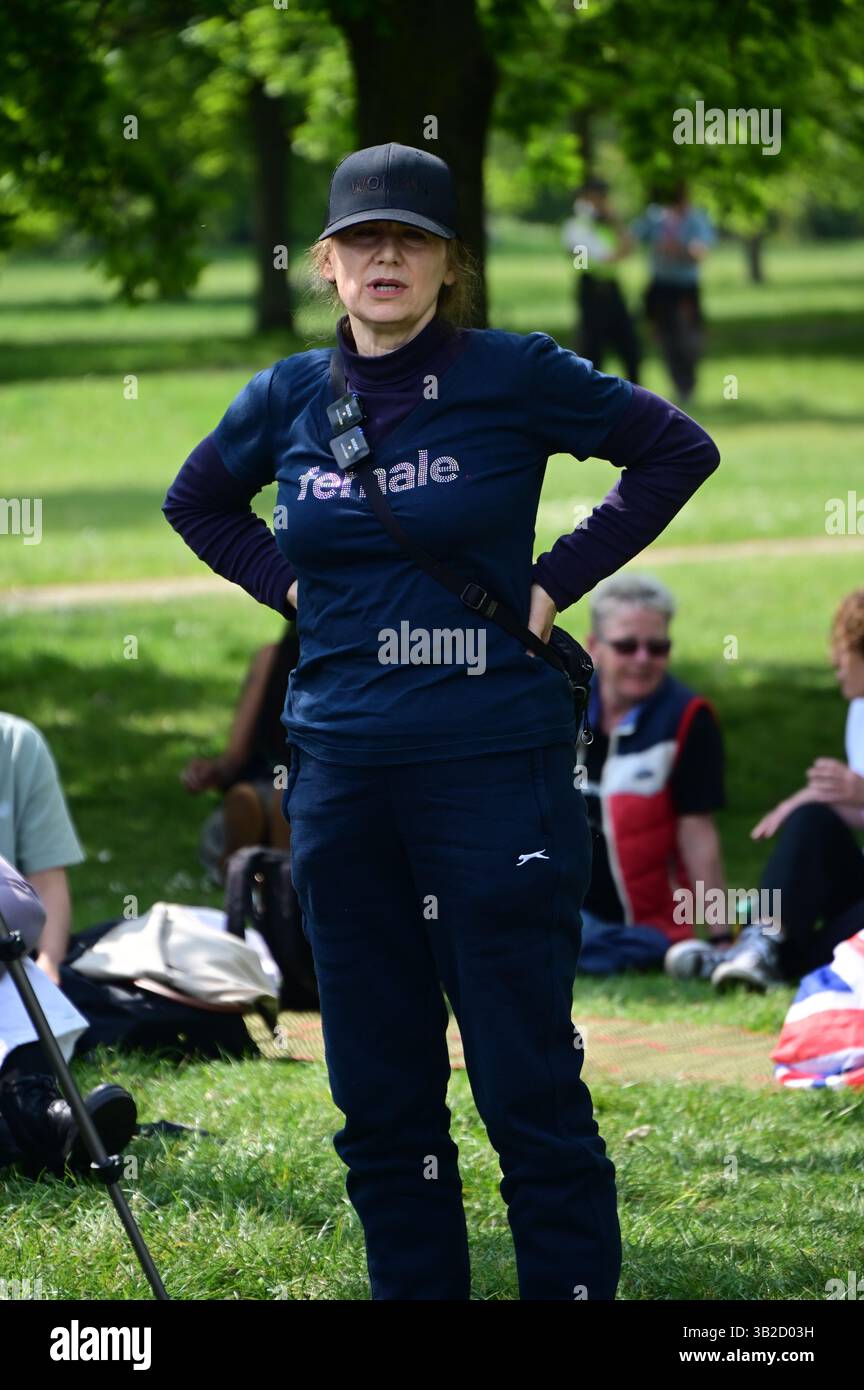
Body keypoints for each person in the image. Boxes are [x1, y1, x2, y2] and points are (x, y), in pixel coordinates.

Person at [162, 141, 720, 1301]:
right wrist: (288, 584)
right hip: (343, 778)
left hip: (493, 771)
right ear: (325, 261)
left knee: (526, 1080)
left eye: (409, 239)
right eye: (362, 239)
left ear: (448, 264)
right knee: (381, 1093)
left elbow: (676, 448)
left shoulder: (513, 373)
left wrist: (556, 579)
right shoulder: (285, 400)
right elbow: (198, 501)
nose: (384, 257)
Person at [702, 590, 864, 993]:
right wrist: (802, 804)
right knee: (812, 821)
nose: (833, 664)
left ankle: (741, 959)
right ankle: (759, 943)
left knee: (820, 958)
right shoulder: (859, 709)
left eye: (842, 652)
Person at [0, 714, 136, 1177]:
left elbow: (44, 886)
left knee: (20, 982)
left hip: (8, 954)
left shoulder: (14, 743)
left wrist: (51, 963)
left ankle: (40, 1111)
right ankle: (42, 1124)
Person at [575, 574, 729, 976]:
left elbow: (698, 834)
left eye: (657, 648)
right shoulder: (560, 706)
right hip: (562, 910)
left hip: (647, 929)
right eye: (627, 646)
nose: (643, 659)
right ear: (595, 648)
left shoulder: (688, 719)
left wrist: (721, 937)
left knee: (636, 945)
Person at [182, 622, 300, 879]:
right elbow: (234, 758)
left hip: (304, 789)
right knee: (264, 797)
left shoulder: (273, 656)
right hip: (271, 785)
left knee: (286, 798)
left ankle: (252, 874)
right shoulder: (273, 658)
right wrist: (212, 772)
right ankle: (278, 880)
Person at [632, 180, 716, 404]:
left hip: (685, 288)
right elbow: (631, 238)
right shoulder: (655, 218)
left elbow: (700, 251)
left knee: (688, 338)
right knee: (666, 338)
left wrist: (678, 249)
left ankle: (688, 383)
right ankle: (679, 384)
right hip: (660, 287)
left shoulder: (696, 218)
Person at [561, 177, 641, 382]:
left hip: (612, 289)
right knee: (592, 350)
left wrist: (616, 222)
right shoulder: (576, 226)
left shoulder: (605, 226)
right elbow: (605, 257)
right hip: (591, 289)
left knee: (630, 347)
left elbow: (629, 247)